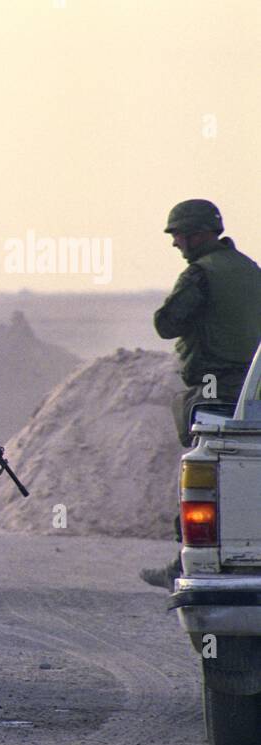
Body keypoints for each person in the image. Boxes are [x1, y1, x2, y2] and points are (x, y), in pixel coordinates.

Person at [141, 200, 261, 589]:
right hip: (254, 389)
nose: (176, 243)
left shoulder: (200, 275)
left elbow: (166, 323)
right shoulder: (250, 270)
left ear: (197, 234)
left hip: (215, 391)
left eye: (178, 234)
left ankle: (188, 562)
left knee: (204, 477)